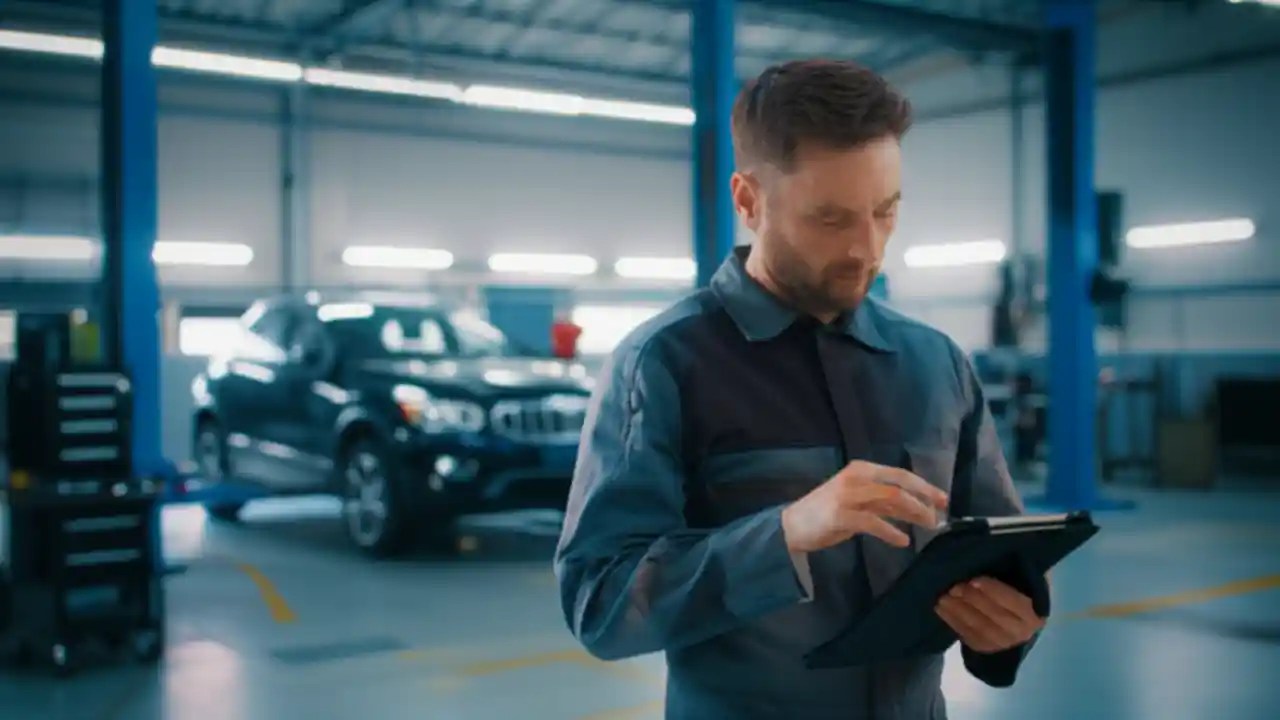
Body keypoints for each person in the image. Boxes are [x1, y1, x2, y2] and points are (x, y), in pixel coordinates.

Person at [554, 59, 1044, 719]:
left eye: (885, 211)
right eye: (831, 219)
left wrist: (1009, 630)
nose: (866, 249)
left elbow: (1002, 550)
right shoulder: (662, 365)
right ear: (749, 200)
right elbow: (600, 602)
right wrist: (783, 535)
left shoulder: (936, 363)